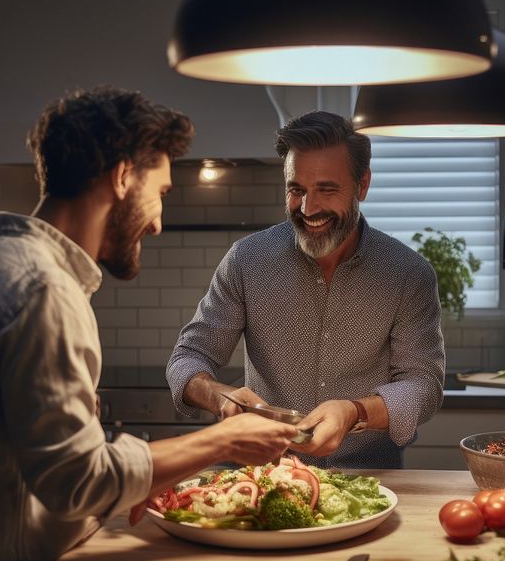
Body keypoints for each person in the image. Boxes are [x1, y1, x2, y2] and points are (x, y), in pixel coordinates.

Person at [0, 86, 299, 561]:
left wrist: (140, 475)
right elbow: (76, 482)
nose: (158, 222)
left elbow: (13, 457)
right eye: (161, 192)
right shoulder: (42, 290)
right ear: (123, 176)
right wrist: (226, 441)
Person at [167, 111, 445, 470]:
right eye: (296, 190)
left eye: (326, 190)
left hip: (368, 478)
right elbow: (187, 357)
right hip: (263, 475)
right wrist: (219, 396)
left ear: (363, 185)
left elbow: (423, 385)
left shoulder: (408, 273)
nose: (308, 208)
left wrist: (354, 411)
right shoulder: (246, 260)